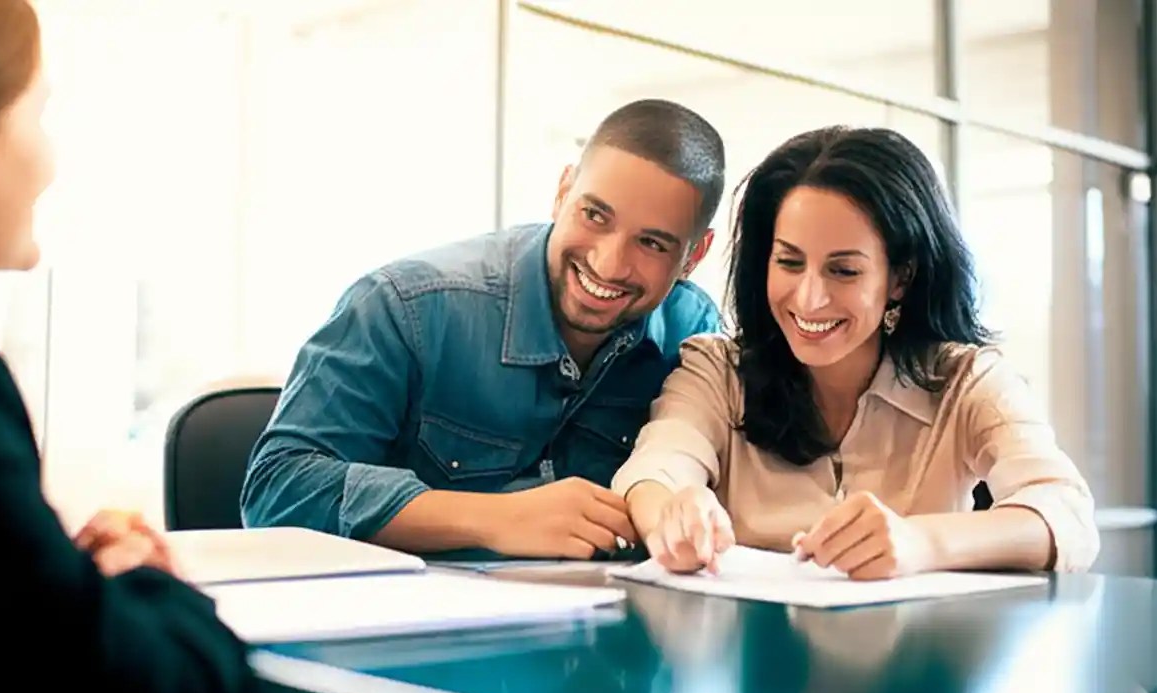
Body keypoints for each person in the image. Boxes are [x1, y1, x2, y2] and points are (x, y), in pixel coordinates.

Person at [0, 1, 254, 693]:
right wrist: (151, 582)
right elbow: (117, 685)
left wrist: (61, 576)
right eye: (40, 114)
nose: (52, 164)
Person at [242, 99, 726, 559]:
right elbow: (276, 490)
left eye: (652, 244)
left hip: (604, 628)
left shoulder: (693, 334)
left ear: (694, 256)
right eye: (595, 215)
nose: (609, 263)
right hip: (410, 627)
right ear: (562, 192)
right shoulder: (403, 305)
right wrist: (493, 518)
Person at [612, 126, 1099, 577]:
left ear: (900, 278)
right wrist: (672, 514)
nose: (808, 298)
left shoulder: (966, 382)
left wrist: (921, 542)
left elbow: (1068, 515)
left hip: (917, 662)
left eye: (843, 271)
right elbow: (656, 469)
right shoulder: (717, 372)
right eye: (789, 262)